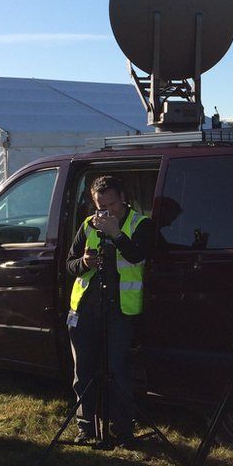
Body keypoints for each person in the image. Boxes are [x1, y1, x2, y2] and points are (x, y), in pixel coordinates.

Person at [65, 175, 154, 446]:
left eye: (111, 205)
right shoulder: (87, 225)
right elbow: (68, 264)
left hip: (121, 310)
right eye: (99, 206)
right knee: (84, 369)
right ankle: (85, 427)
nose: (105, 212)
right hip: (85, 307)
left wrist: (116, 233)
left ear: (123, 198)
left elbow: (137, 255)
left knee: (117, 369)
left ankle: (123, 429)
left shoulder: (140, 224)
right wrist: (84, 263)